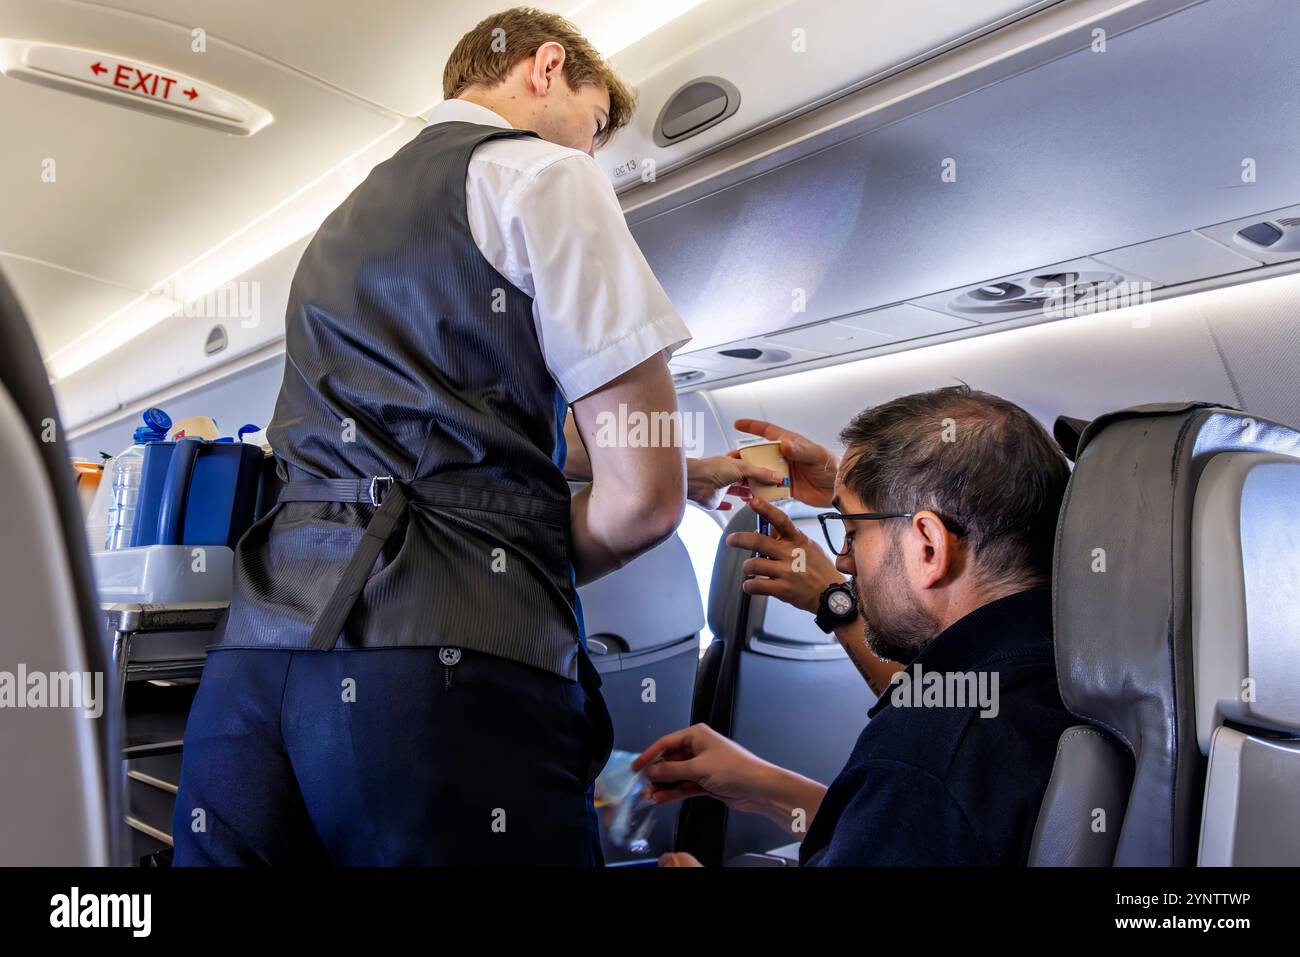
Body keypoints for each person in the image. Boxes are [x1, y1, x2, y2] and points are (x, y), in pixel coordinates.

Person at [172, 7, 773, 866]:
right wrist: (505, 552)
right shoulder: (543, 178)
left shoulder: (335, 226)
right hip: (439, 666)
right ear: (545, 67)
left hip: (258, 660)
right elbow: (643, 502)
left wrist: (699, 465)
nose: (590, 152)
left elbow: (450, 424)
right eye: (594, 125)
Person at [639, 386, 1078, 866]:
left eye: (851, 532)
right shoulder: (1072, 674)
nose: (842, 560)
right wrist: (764, 787)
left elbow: (916, 800)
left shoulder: (925, 756)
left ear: (928, 547)